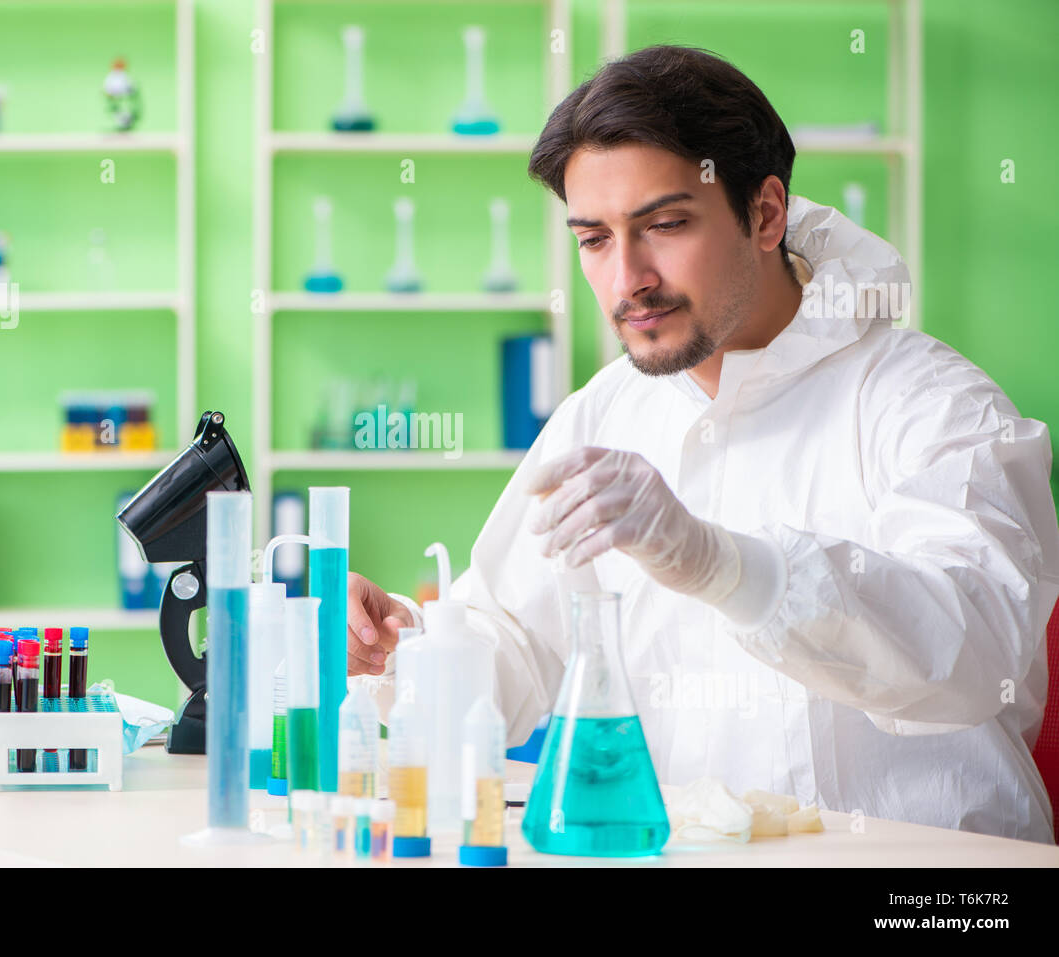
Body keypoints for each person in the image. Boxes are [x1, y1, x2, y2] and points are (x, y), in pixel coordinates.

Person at [346, 45, 1059, 844]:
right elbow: (515, 639)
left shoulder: (932, 406)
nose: (628, 280)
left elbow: (971, 650)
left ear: (765, 212)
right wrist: (402, 647)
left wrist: (724, 566)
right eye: (595, 240)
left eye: (665, 225)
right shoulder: (602, 414)